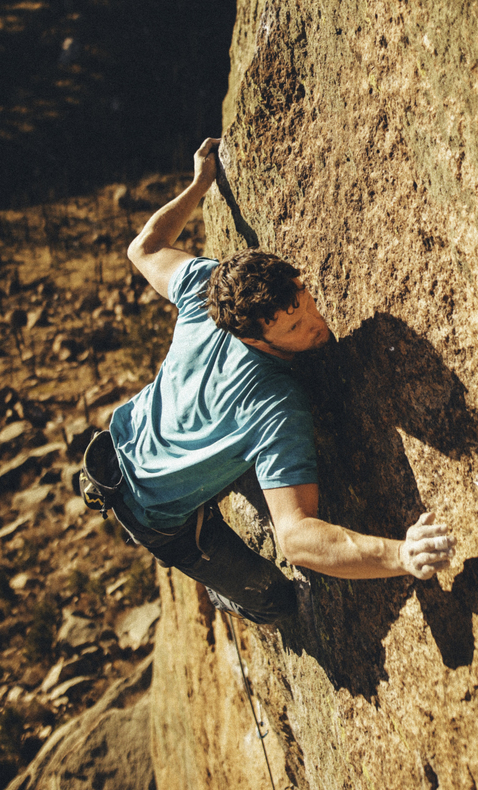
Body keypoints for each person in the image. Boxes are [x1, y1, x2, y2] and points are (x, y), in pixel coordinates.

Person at [81, 138, 455, 624]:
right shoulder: (275, 404)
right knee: (275, 602)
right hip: (153, 516)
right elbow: (296, 538)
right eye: (296, 329)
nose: (318, 325)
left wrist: (200, 183)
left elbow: (143, 249)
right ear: (256, 339)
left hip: (123, 437)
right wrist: (401, 556)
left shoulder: (206, 289)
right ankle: (220, 577)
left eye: (305, 302)